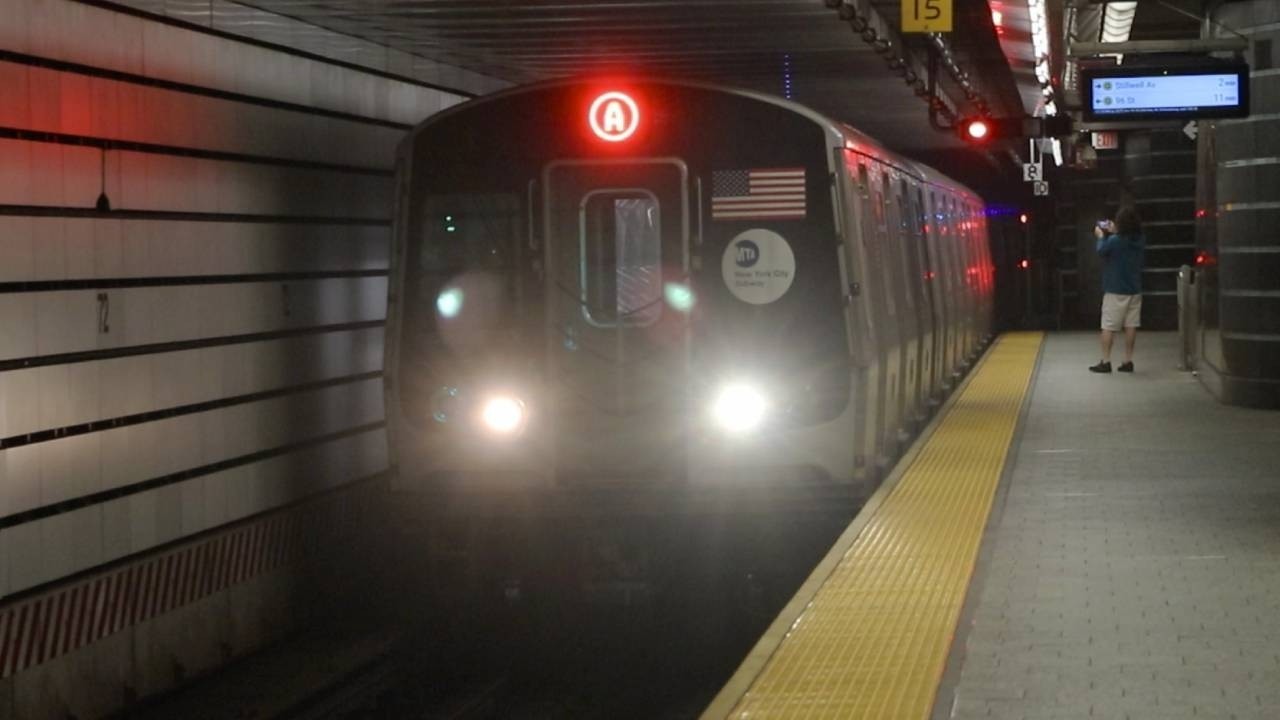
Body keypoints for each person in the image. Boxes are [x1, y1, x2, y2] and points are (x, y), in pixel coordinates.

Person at [1090, 206, 1145, 373]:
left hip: (1115, 289)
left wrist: (1100, 236)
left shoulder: (1115, 241)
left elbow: (1102, 250)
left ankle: (1106, 361)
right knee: (1131, 325)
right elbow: (1125, 241)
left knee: (1108, 326)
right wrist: (1115, 232)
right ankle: (1128, 360)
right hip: (1134, 289)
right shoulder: (1140, 239)